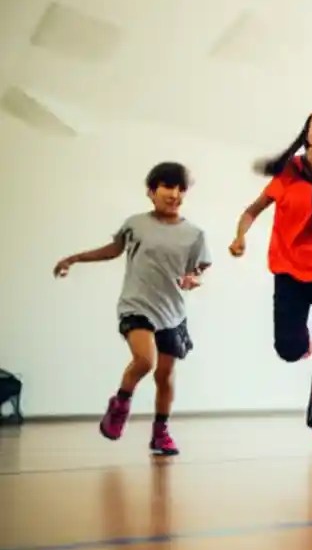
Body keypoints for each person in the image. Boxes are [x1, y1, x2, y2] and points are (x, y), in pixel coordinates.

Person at [53, 162, 212, 456]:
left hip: (172, 312)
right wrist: (73, 259)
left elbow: (199, 270)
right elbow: (112, 250)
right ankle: (121, 405)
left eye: (180, 188)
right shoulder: (136, 224)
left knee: (164, 376)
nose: (174, 193)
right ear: (152, 192)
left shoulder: (195, 234)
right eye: (167, 186)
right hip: (136, 305)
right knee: (144, 361)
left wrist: (194, 279)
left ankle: (160, 433)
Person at [229, 108, 312, 454]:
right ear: (307, 134)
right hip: (288, 271)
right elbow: (252, 210)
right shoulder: (288, 174)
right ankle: (306, 345)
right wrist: (241, 237)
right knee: (289, 349)